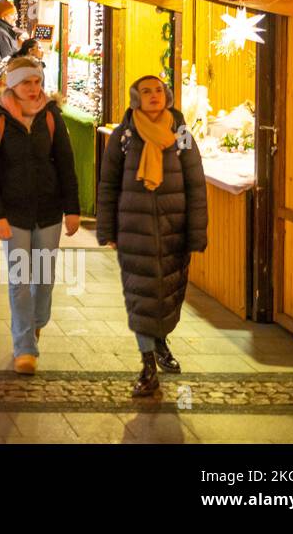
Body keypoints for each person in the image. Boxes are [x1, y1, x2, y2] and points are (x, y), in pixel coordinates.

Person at [97, 75, 209, 398]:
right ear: (136, 99)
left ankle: (160, 342)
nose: (154, 96)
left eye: (158, 90)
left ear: (168, 96)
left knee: (170, 294)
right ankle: (147, 365)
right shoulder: (124, 136)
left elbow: (195, 181)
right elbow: (108, 184)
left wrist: (196, 230)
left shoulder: (181, 133)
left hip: (173, 229)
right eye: (146, 92)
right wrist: (107, 229)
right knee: (141, 298)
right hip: (135, 230)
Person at [0, 57, 80, 375]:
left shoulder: (52, 117)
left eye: (37, 82)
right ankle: (24, 347)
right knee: (20, 281)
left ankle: (36, 322)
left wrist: (72, 208)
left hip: (49, 211)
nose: (34, 88)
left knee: (44, 279)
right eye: (26, 83)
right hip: (14, 213)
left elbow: (65, 162)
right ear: (12, 85)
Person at [0, 0, 22, 66]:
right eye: (13, 15)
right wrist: (20, 46)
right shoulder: (1, 32)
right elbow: (7, 59)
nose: (16, 18)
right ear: (3, 16)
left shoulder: (7, 31)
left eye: (16, 15)